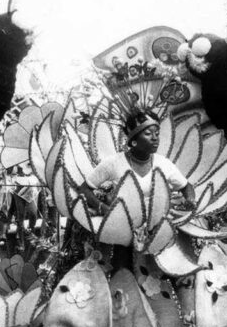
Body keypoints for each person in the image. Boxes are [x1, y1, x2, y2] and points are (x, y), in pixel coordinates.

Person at [78, 110, 196, 269]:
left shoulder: (164, 164)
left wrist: (190, 201)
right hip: (122, 230)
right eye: (148, 133)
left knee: (155, 278)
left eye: (157, 133)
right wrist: (104, 209)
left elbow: (186, 186)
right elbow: (84, 189)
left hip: (155, 230)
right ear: (133, 141)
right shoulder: (114, 162)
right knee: (122, 271)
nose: (155, 138)